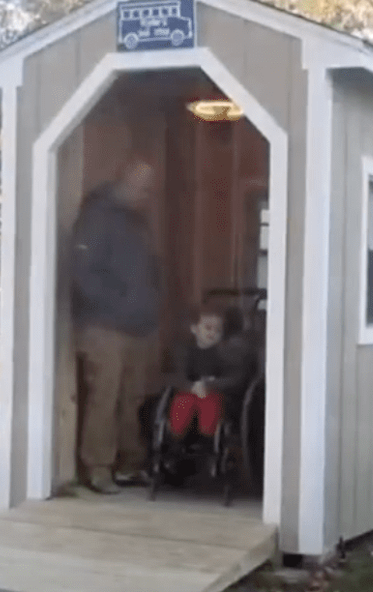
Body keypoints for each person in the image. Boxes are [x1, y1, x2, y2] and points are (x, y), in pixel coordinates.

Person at [70, 154, 161, 494]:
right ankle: (98, 468)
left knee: (132, 397)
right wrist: (116, 304)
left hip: (138, 324)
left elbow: (150, 269)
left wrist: (151, 305)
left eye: (150, 186)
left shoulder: (139, 220)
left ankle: (130, 464)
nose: (146, 192)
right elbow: (83, 272)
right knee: (104, 396)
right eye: (141, 184)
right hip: (103, 325)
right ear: (124, 180)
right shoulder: (97, 215)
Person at [165, 304, 254, 441]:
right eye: (208, 328)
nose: (212, 333)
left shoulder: (225, 353)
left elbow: (234, 377)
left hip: (213, 392)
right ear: (194, 329)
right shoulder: (184, 352)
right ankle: (175, 440)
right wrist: (191, 387)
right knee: (181, 403)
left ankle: (207, 439)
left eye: (217, 330)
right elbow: (174, 375)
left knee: (210, 405)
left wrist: (209, 385)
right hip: (189, 390)